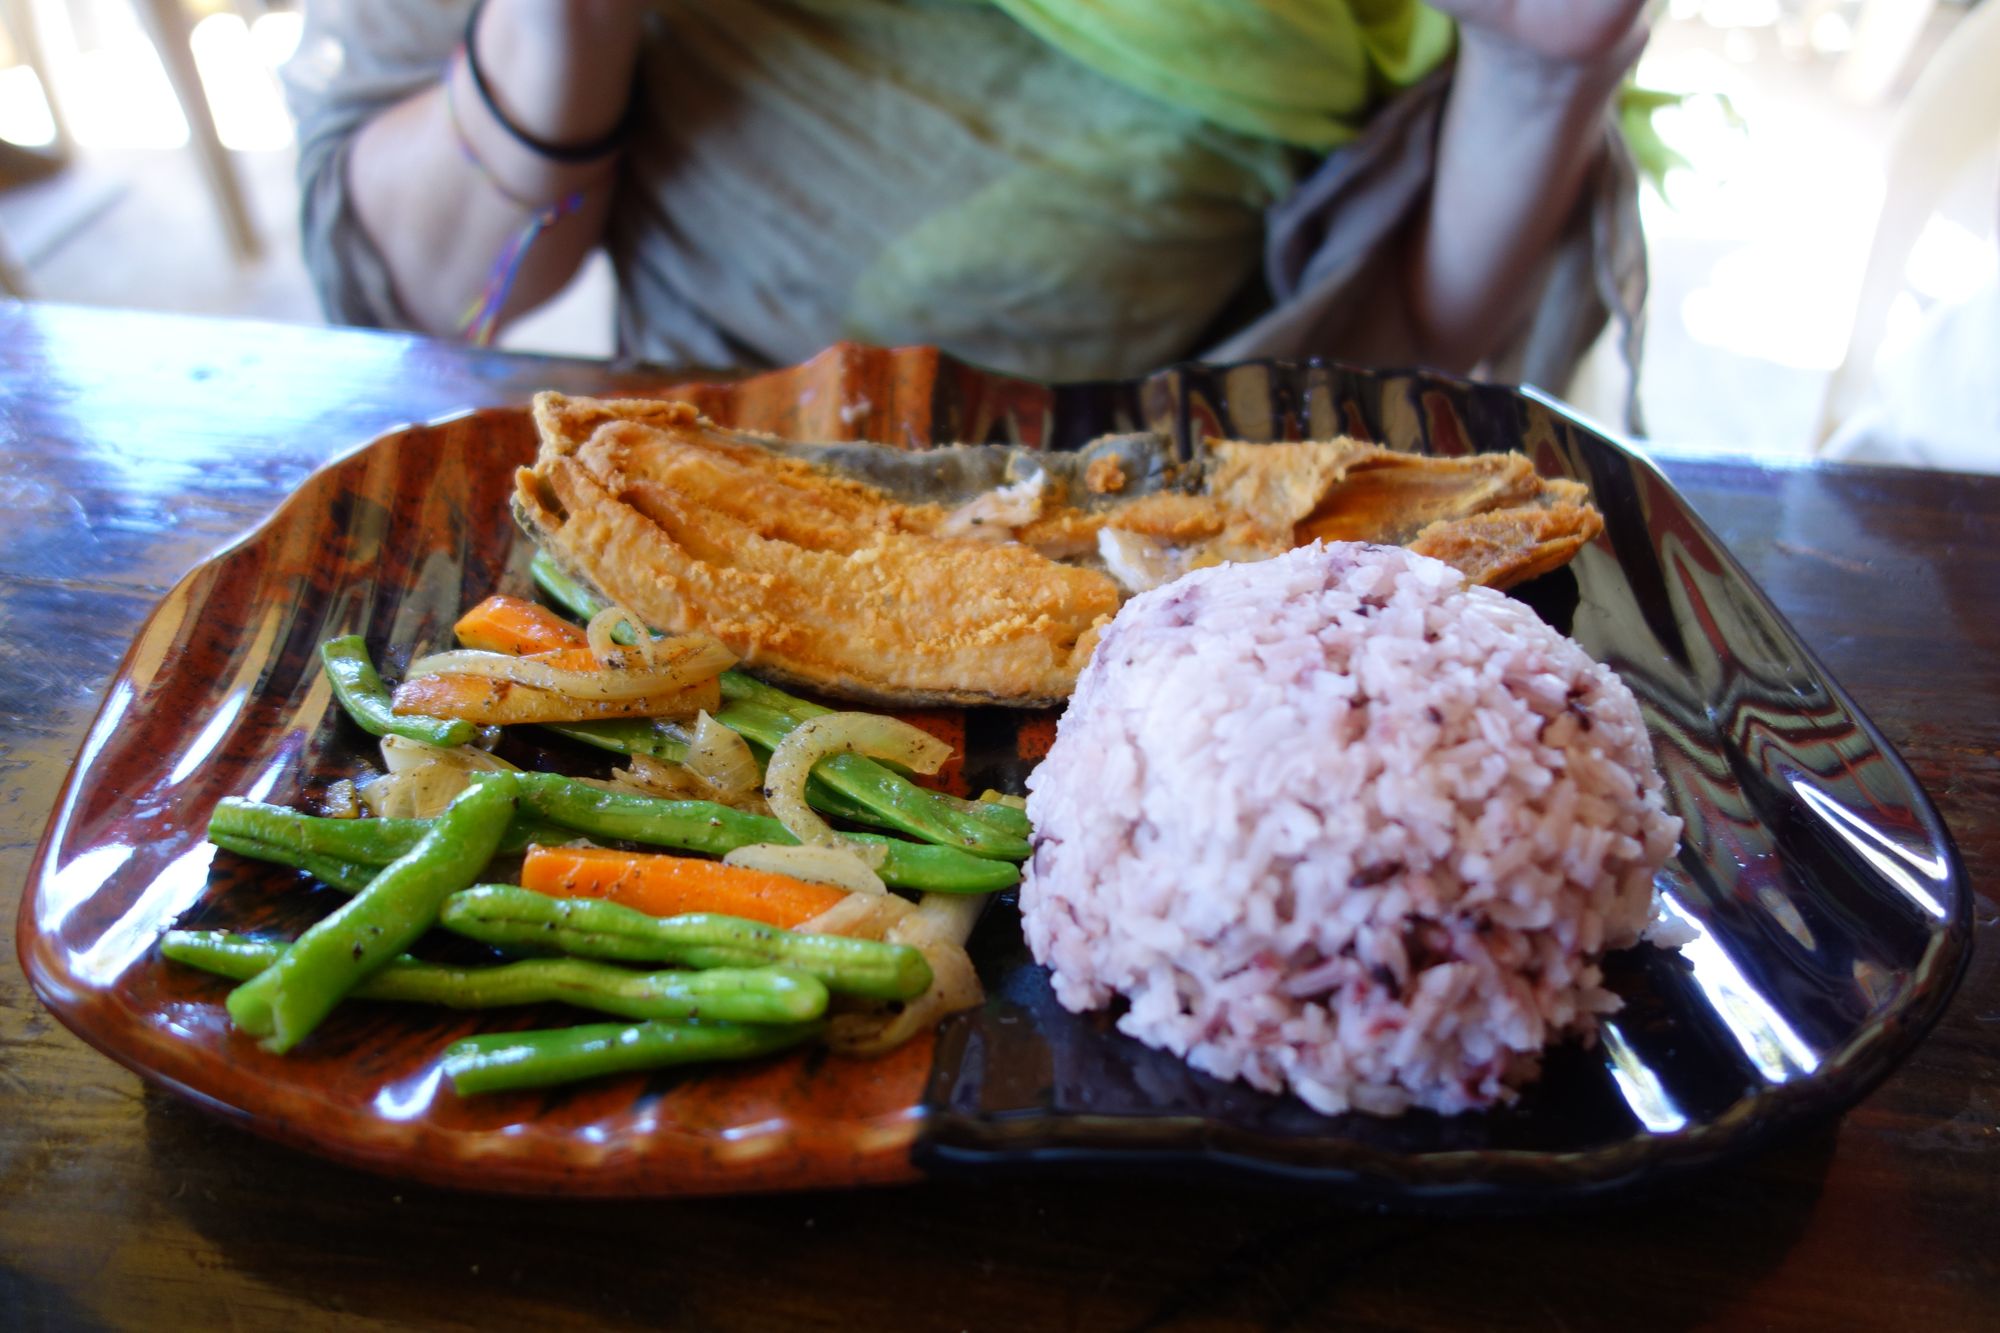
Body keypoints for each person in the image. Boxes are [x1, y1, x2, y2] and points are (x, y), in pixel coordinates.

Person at [284, 0, 1648, 397]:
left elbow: (1387, 373)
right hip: (705, 491)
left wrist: (1535, 68)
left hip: (1165, 574)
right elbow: (425, 295)